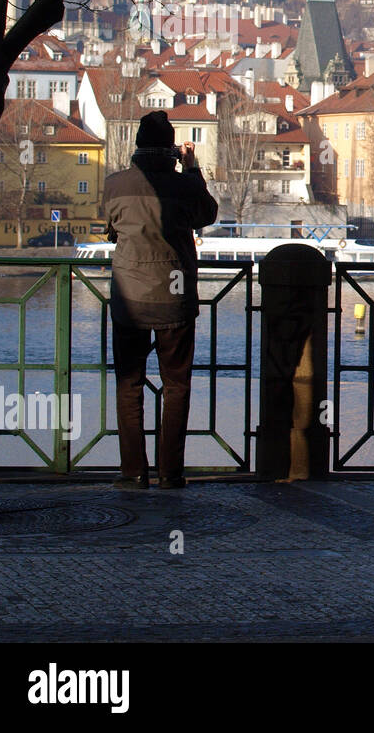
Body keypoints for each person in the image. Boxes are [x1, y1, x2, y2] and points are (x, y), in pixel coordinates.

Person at [103, 111, 218, 490]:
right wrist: (192, 168)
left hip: (130, 299)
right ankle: (171, 473)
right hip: (175, 297)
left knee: (129, 384)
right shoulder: (184, 186)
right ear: (171, 148)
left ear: (137, 146)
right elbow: (208, 214)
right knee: (177, 385)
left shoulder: (115, 185)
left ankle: (133, 472)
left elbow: (110, 232)